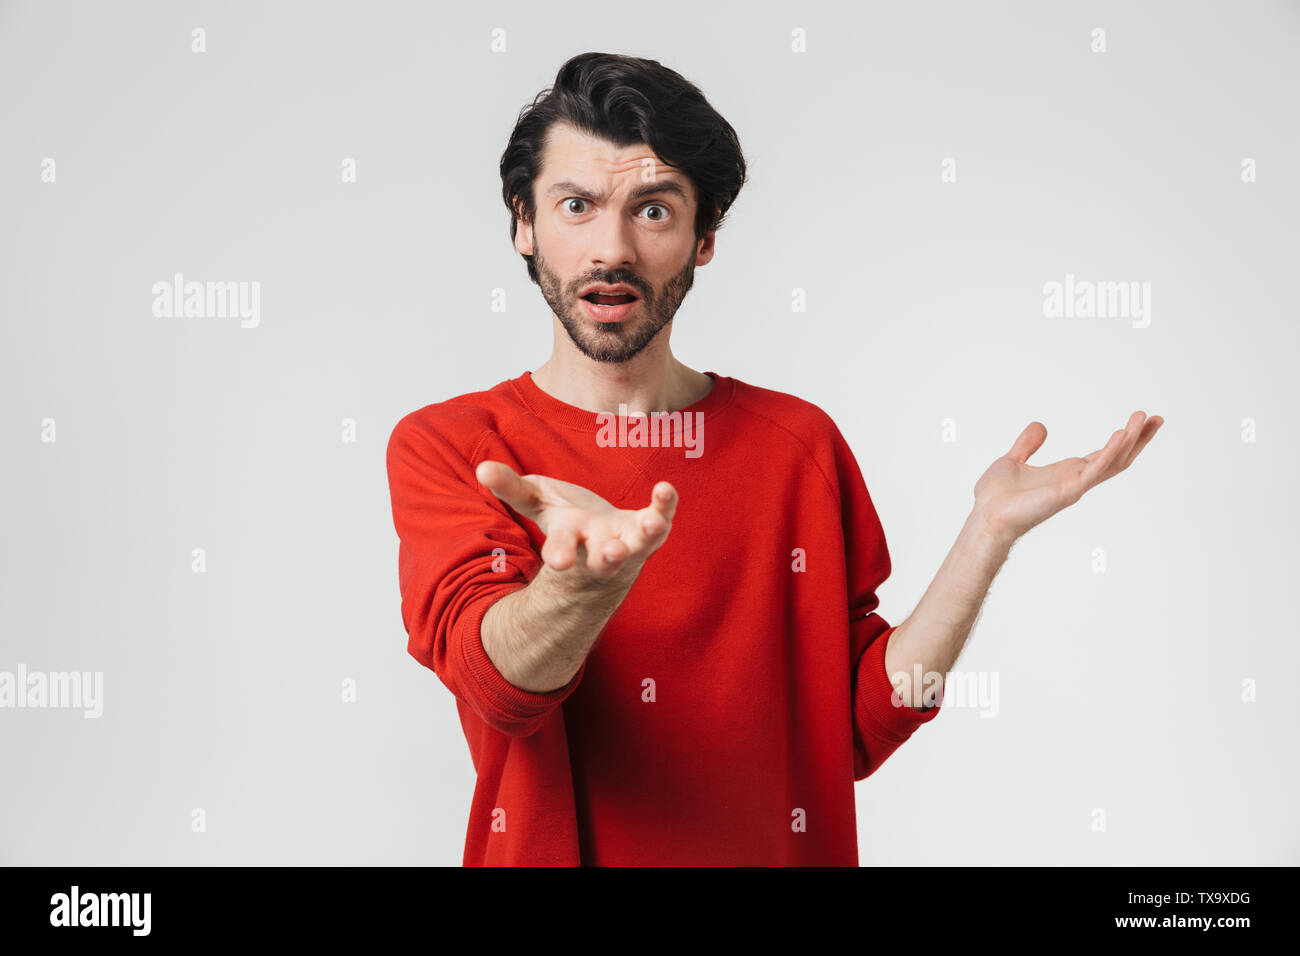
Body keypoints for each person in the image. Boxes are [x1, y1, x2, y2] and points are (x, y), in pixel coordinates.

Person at [385, 52, 1162, 866]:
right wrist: (579, 587)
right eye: (575, 205)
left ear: (705, 235)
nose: (609, 248)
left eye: (653, 210)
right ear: (523, 222)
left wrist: (987, 535)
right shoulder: (453, 446)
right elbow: (497, 688)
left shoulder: (798, 446)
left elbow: (853, 729)